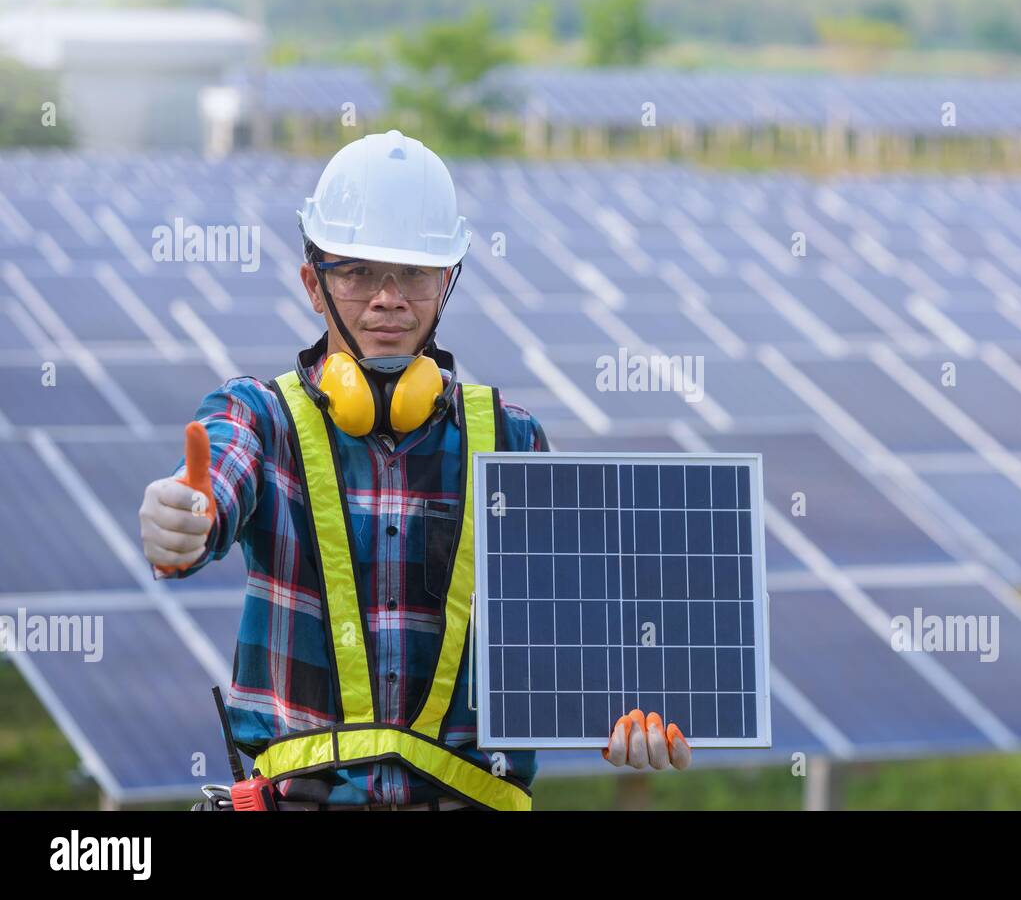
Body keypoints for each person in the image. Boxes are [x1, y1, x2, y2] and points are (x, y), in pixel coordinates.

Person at [138, 131, 690, 811]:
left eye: (415, 273)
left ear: (446, 282)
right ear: (314, 283)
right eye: (359, 272)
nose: (388, 298)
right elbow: (212, 477)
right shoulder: (261, 419)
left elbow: (573, 635)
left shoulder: (511, 440)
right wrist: (184, 515)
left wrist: (628, 708)